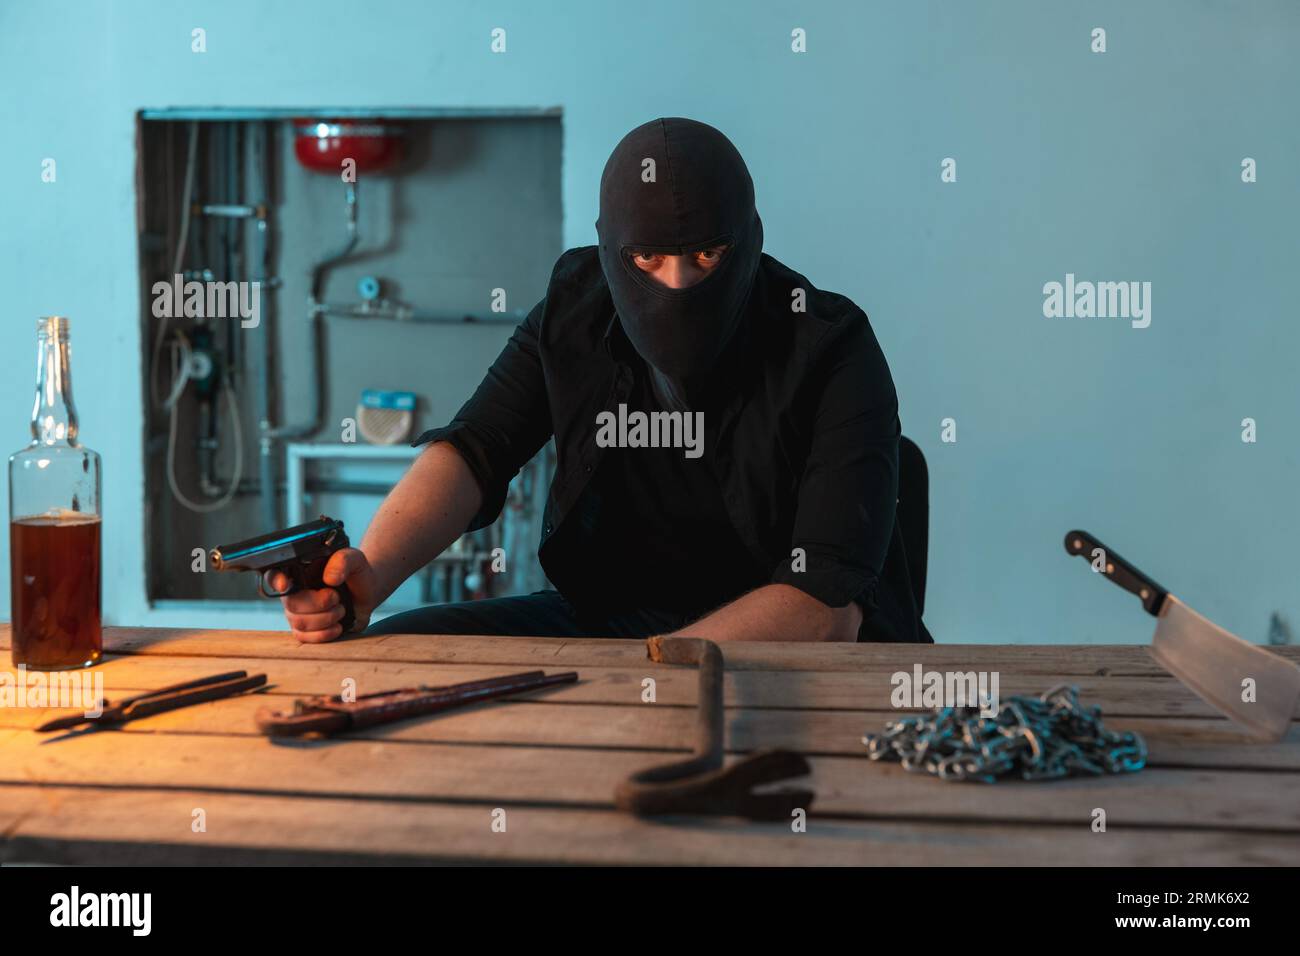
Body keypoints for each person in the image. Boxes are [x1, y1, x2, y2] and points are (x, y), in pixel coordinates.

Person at [274, 117, 931, 644]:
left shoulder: (829, 344)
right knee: (401, 650)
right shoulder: (576, 311)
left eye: (707, 256)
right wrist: (371, 576)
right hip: (612, 623)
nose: (676, 285)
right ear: (612, 249)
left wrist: (650, 678)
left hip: (794, 641)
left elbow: (826, 608)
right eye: (648, 258)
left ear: (749, 239)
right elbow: (474, 451)